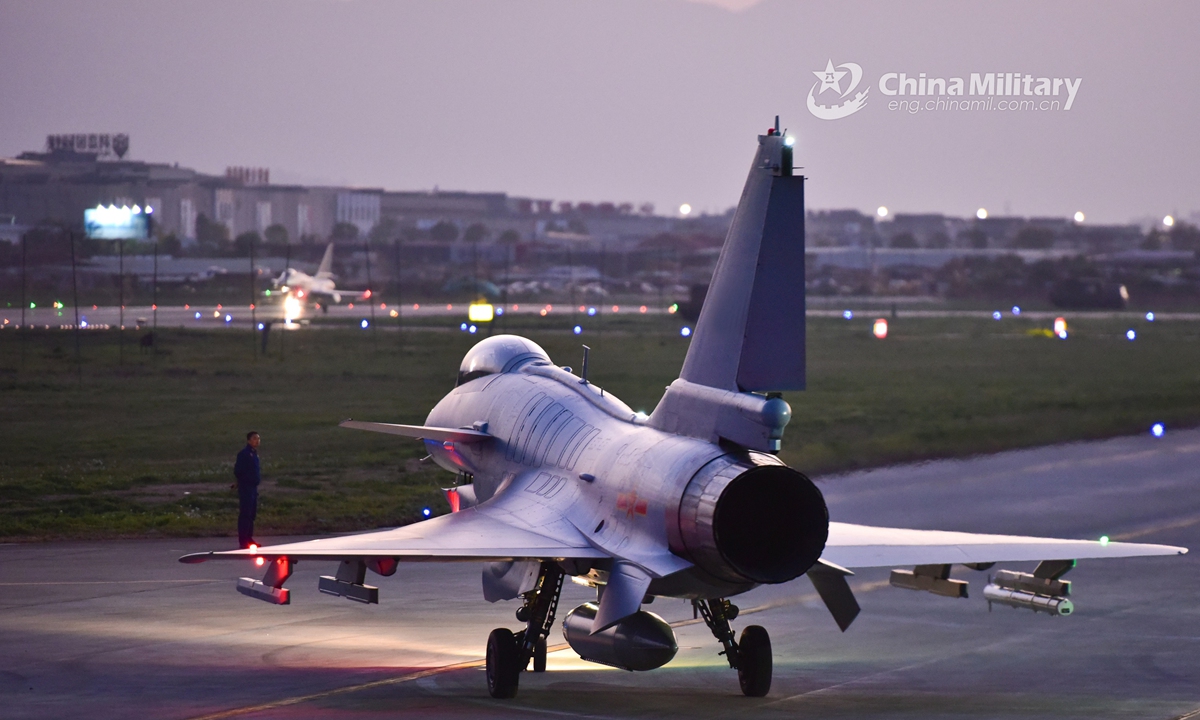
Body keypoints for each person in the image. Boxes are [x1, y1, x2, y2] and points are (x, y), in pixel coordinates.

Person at [233, 431, 261, 549]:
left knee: (251, 514)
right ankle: (243, 540)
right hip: (246, 488)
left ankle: (249, 538)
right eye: (254, 438)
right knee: (245, 513)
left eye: (258, 439)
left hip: (253, 488)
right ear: (249, 440)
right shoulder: (244, 454)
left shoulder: (254, 454)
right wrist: (243, 481)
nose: (257, 441)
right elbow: (238, 470)